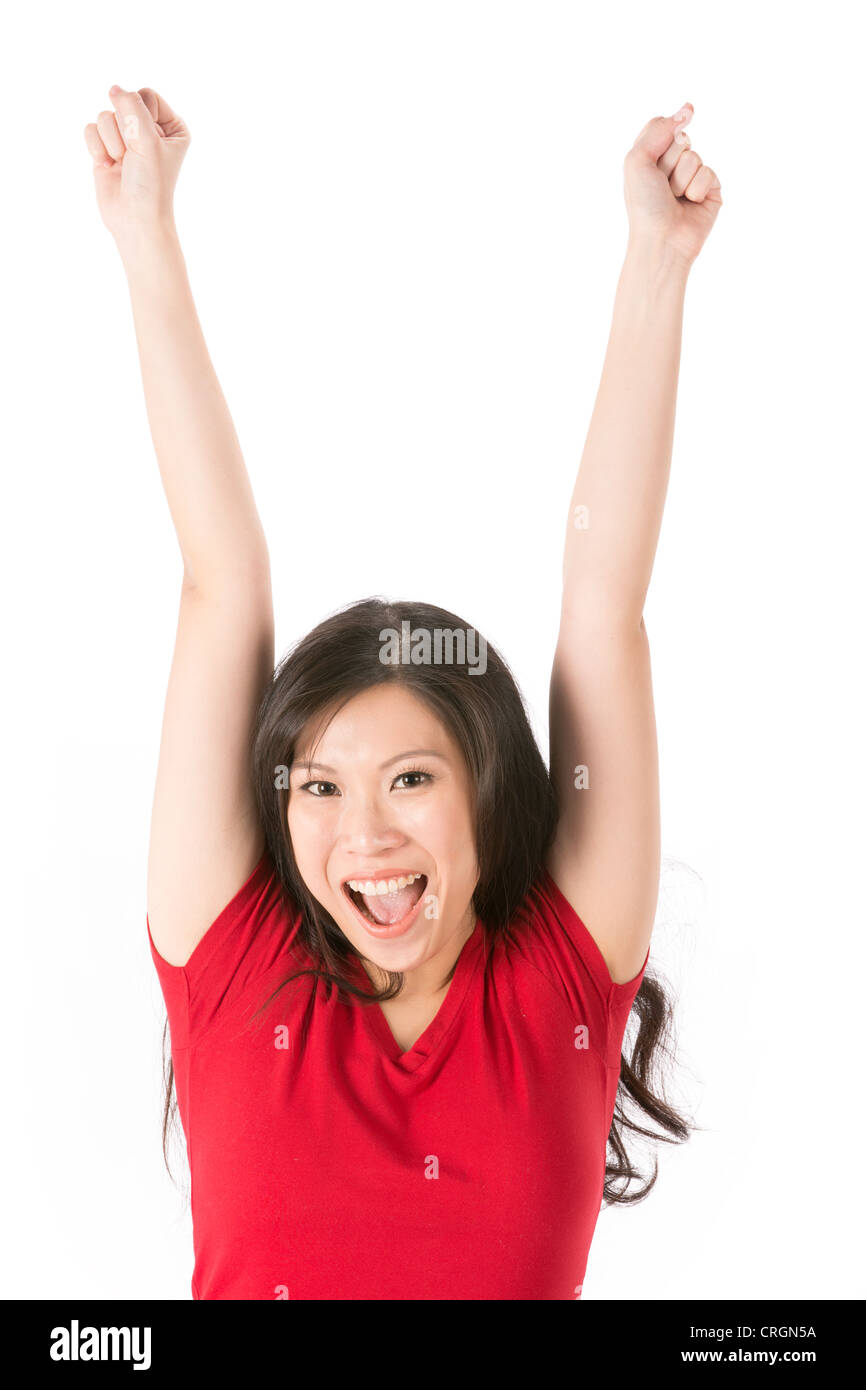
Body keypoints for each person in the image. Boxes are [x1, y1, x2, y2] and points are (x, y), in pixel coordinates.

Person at [84, 86, 722, 1300]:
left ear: (490, 791)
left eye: (411, 779)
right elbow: (222, 581)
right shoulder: (234, 970)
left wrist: (656, 259)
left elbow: (602, 608)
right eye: (318, 786)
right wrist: (144, 235)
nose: (362, 835)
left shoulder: (555, 986)